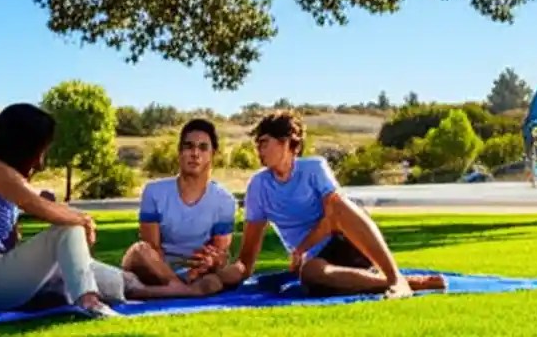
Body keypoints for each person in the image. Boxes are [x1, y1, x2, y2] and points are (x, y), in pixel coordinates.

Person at [0, 103, 149, 318]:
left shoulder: (1, 185)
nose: (40, 163)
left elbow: (24, 221)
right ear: (20, 147)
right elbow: (37, 206)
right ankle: (89, 303)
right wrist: (83, 221)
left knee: (109, 278)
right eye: (39, 151)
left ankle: (175, 290)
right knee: (67, 228)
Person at [231, 111, 446, 298]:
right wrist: (222, 274)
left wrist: (301, 249)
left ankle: (394, 276)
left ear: (287, 143)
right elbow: (247, 257)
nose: (259, 150)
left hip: (349, 241)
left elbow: (335, 217)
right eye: (257, 144)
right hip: (317, 262)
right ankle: (401, 283)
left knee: (340, 204)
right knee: (309, 274)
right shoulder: (258, 186)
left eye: (264, 143)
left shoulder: (314, 168)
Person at [120, 119, 241, 297]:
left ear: (212, 154)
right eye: (188, 146)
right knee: (139, 251)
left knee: (235, 271)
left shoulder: (225, 200)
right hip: (155, 266)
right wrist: (169, 273)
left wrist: (209, 263)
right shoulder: (154, 191)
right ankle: (181, 289)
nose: (195, 153)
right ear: (179, 152)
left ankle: (155, 292)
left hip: (196, 272)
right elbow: (153, 246)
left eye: (202, 147)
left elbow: (220, 254)